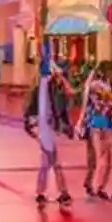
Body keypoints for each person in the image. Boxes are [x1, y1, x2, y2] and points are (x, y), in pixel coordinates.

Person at [25, 57, 73, 208]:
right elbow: (32, 108)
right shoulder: (40, 88)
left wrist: (59, 77)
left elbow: (69, 93)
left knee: (47, 161)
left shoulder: (55, 88)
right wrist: (30, 124)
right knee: (52, 160)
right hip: (43, 127)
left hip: (53, 127)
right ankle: (62, 192)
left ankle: (42, 192)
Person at [78, 65, 112, 199]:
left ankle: (99, 186)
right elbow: (88, 101)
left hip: (109, 124)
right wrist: (80, 122)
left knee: (108, 158)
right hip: (96, 123)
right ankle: (93, 184)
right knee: (97, 157)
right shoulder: (95, 86)